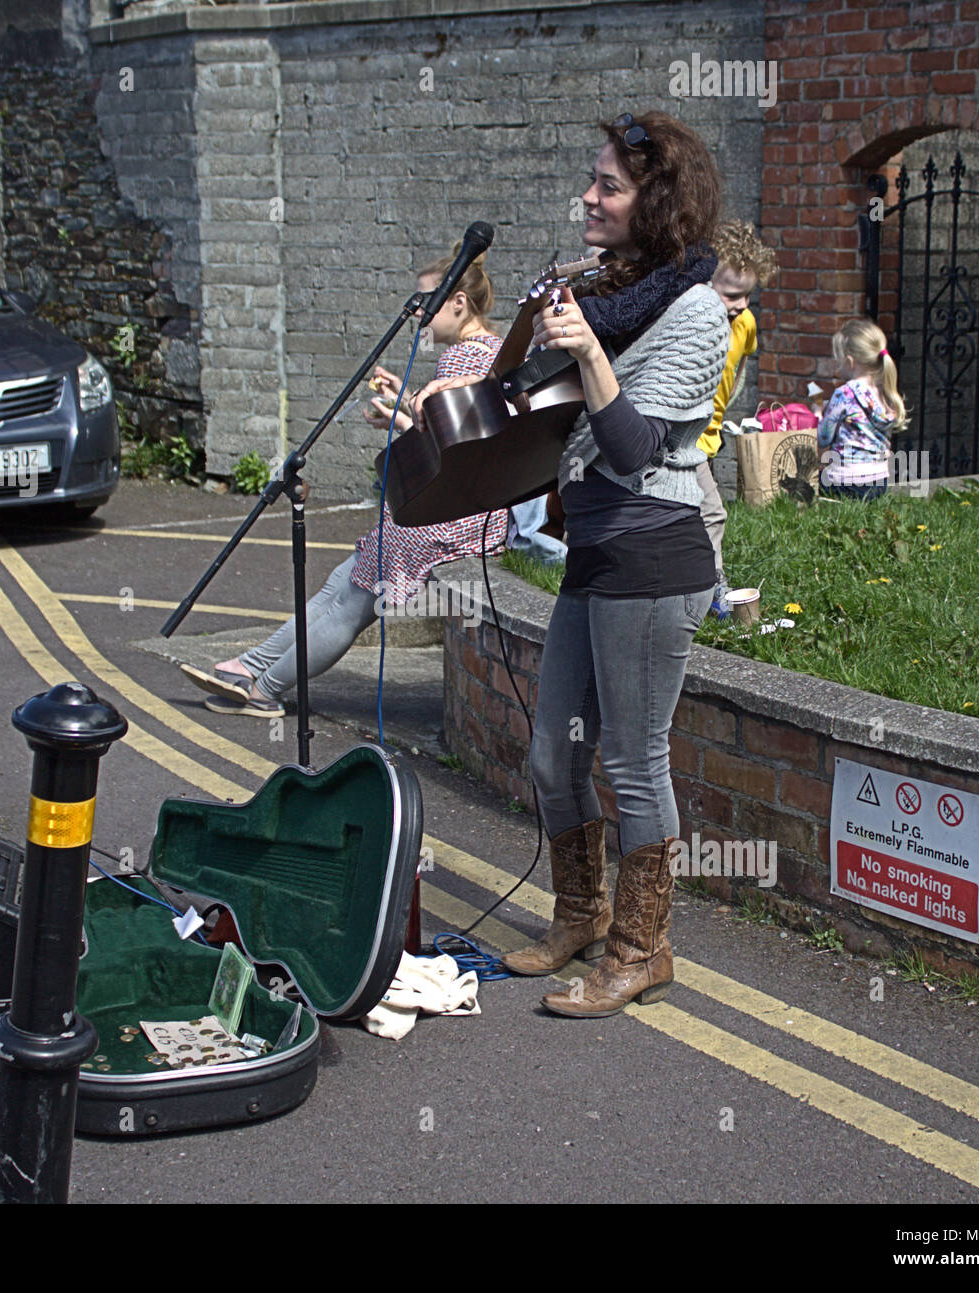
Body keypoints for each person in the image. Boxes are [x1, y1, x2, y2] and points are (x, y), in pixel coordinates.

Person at [412, 111, 728, 1017]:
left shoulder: (696, 314)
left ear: (656, 201)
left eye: (610, 186)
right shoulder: (603, 289)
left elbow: (630, 448)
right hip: (595, 548)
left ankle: (642, 946)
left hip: (654, 551)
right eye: (592, 180)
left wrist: (589, 351)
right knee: (555, 754)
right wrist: (439, 403)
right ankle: (581, 913)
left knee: (632, 760)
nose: (588, 197)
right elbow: (529, 413)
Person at [180, 248, 507, 717]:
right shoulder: (480, 353)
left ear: (458, 303)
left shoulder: (465, 358)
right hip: (447, 509)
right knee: (341, 583)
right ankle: (250, 667)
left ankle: (265, 689)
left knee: (351, 603)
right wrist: (402, 407)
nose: (417, 314)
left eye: (426, 302)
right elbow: (444, 431)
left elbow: (450, 447)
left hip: (444, 517)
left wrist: (403, 411)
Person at [699, 220, 778, 616]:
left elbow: (739, 365)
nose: (742, 303)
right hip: (684, 439)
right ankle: (714, 594)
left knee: (692, 514)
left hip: (709, 437)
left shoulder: (743, 322)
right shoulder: (691, 321)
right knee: (711, 512)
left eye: (748, 294)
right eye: (732, 294)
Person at [817, 319, 908, 501]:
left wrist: (817, 413)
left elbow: (823, 437)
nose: (837, 366)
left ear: (850, 362)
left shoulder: (845, 394)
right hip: (878, 482)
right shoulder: (887, 391)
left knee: (801, 484)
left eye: (838, 361)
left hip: (845, 481)